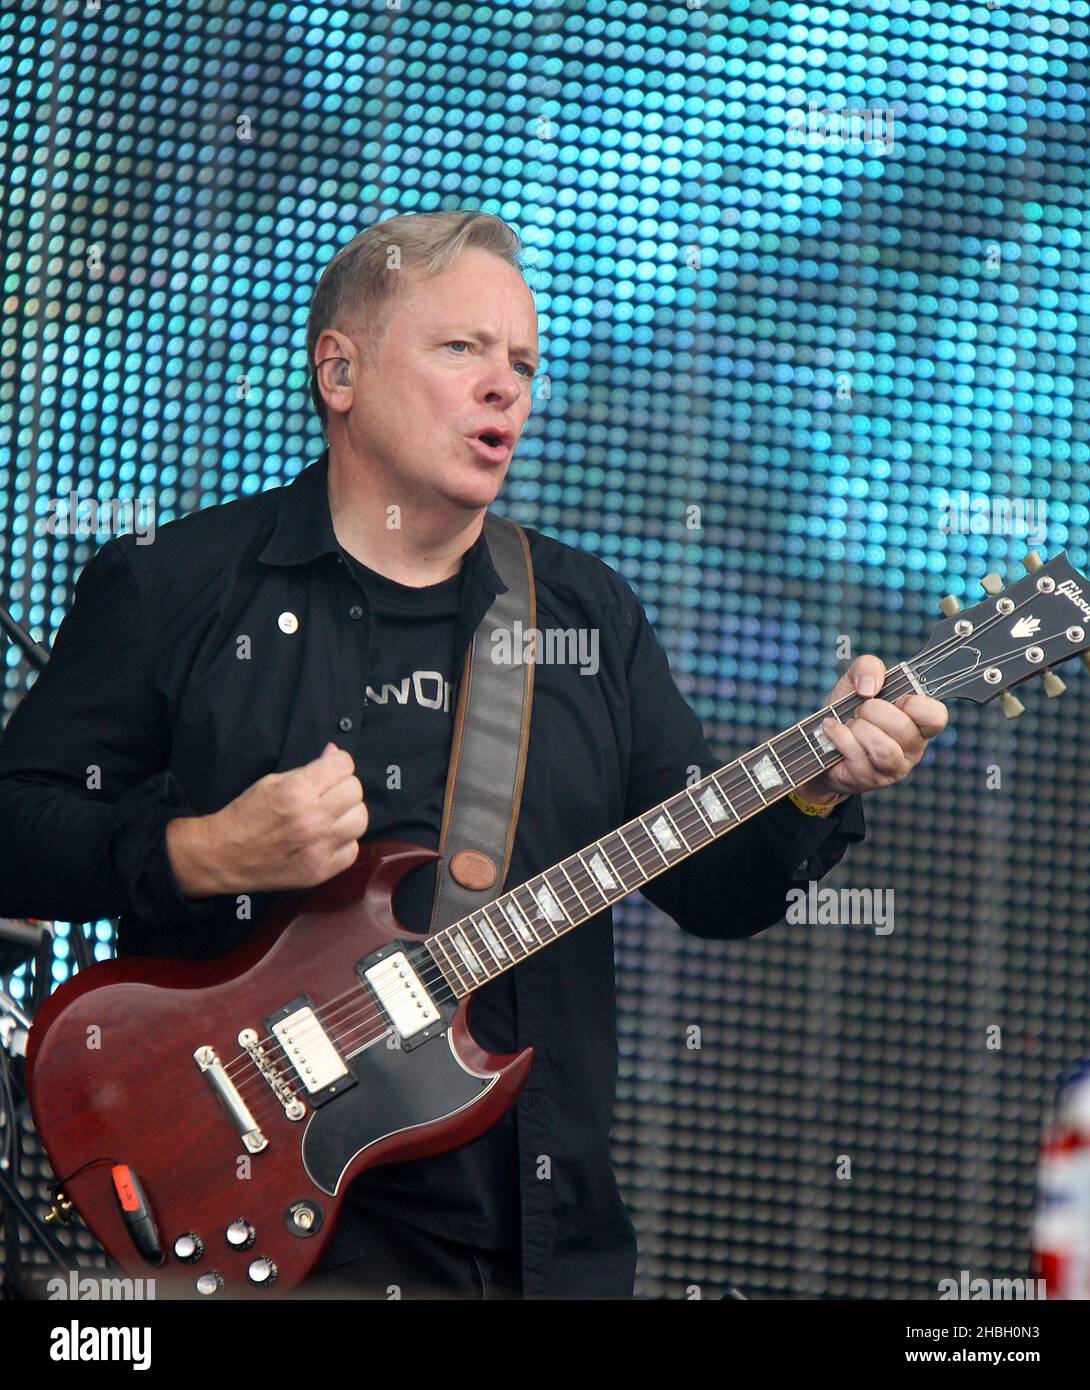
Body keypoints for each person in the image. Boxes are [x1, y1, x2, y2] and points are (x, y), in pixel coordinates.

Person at [0, 210, 948, 1300]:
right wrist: (199, 851)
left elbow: (714, 887)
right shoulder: (177, 587)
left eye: (525, 363)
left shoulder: (582, 615)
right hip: (281, 1241)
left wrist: (816, 785)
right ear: (339, 370)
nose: (507, 385)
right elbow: (14, 830)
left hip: (542, 1248)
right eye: (463, 348)